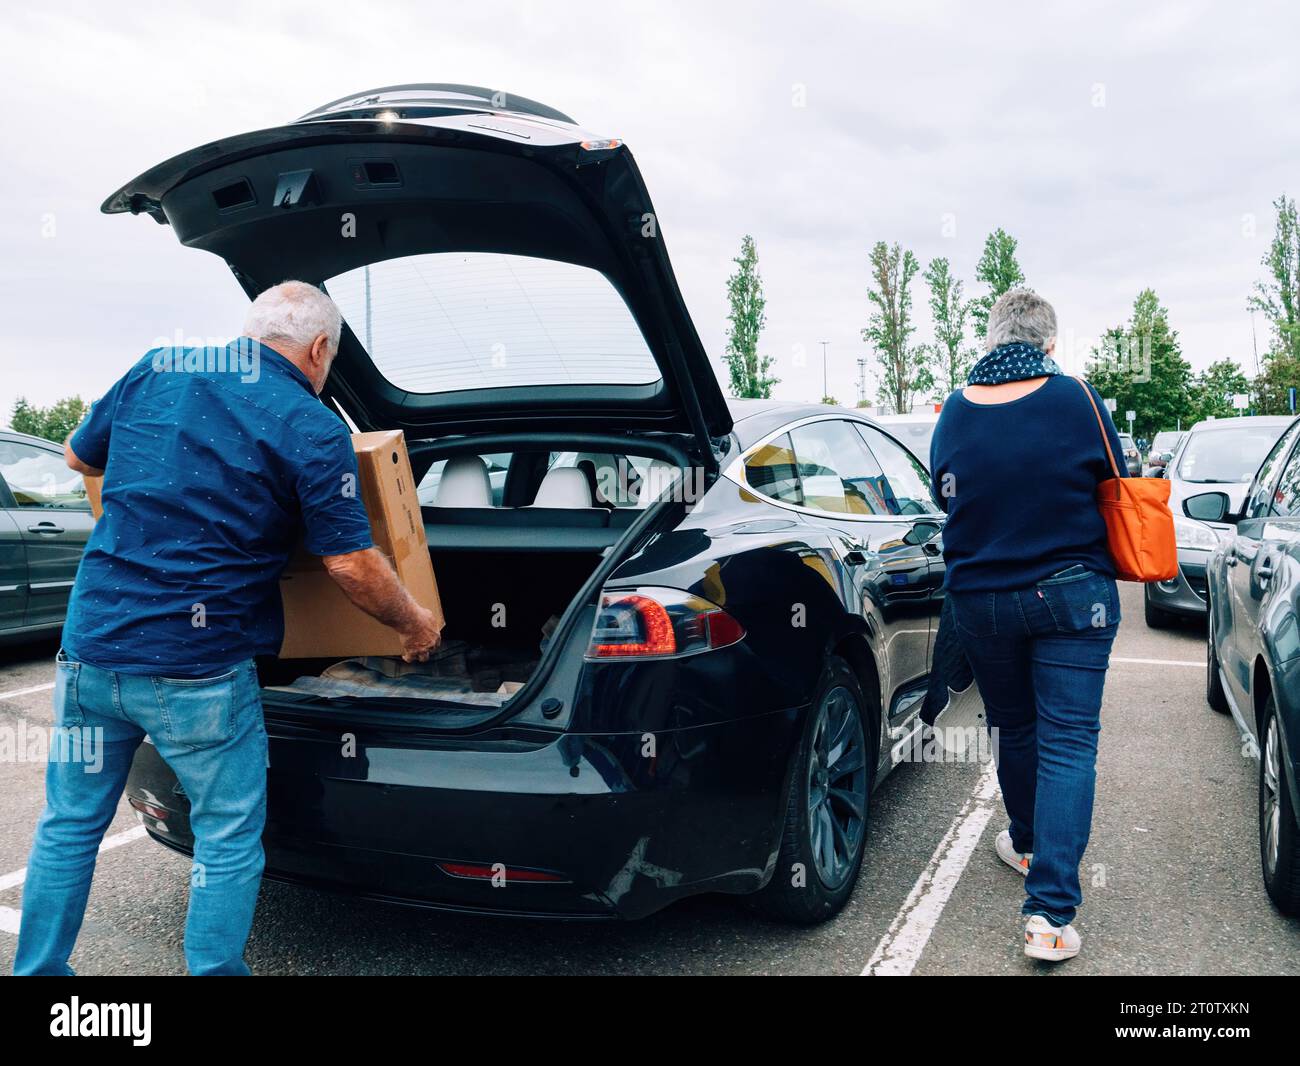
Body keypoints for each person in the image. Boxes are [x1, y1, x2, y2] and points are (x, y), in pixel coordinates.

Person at [14, 281, 442, 976]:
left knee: (68, 827)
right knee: (227, 835)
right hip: (197, 671)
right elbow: (350, 564)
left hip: (91, 652)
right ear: (319, 348)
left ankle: (38, 974)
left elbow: (76, 456)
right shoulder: (311, 425)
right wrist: (417, 624)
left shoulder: (159, 367)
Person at [929, 289, 1126, 963]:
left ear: (990, 341)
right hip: (1074, 596)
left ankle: (1023, 839)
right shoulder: (1075, 397)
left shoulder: (955, 408)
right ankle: (1048, 915)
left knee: (1013, 725)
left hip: (982, 600)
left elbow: (943, 492)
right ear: (1048, 346)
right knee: (1069, 743)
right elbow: (1118, 478)